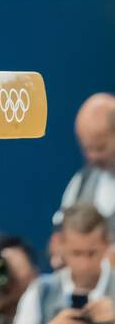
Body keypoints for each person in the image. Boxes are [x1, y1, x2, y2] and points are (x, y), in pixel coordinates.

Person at [1, 203, 115, 324]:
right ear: (60, 246)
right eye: (76, 253)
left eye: (92, 253)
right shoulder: (42, 290)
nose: (84, 265)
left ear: (107, 245)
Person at [53, 94, 115, 241]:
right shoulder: (81, 183)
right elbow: (59, 240)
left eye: (100, 148)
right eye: (86, 148)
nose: (92, 156)